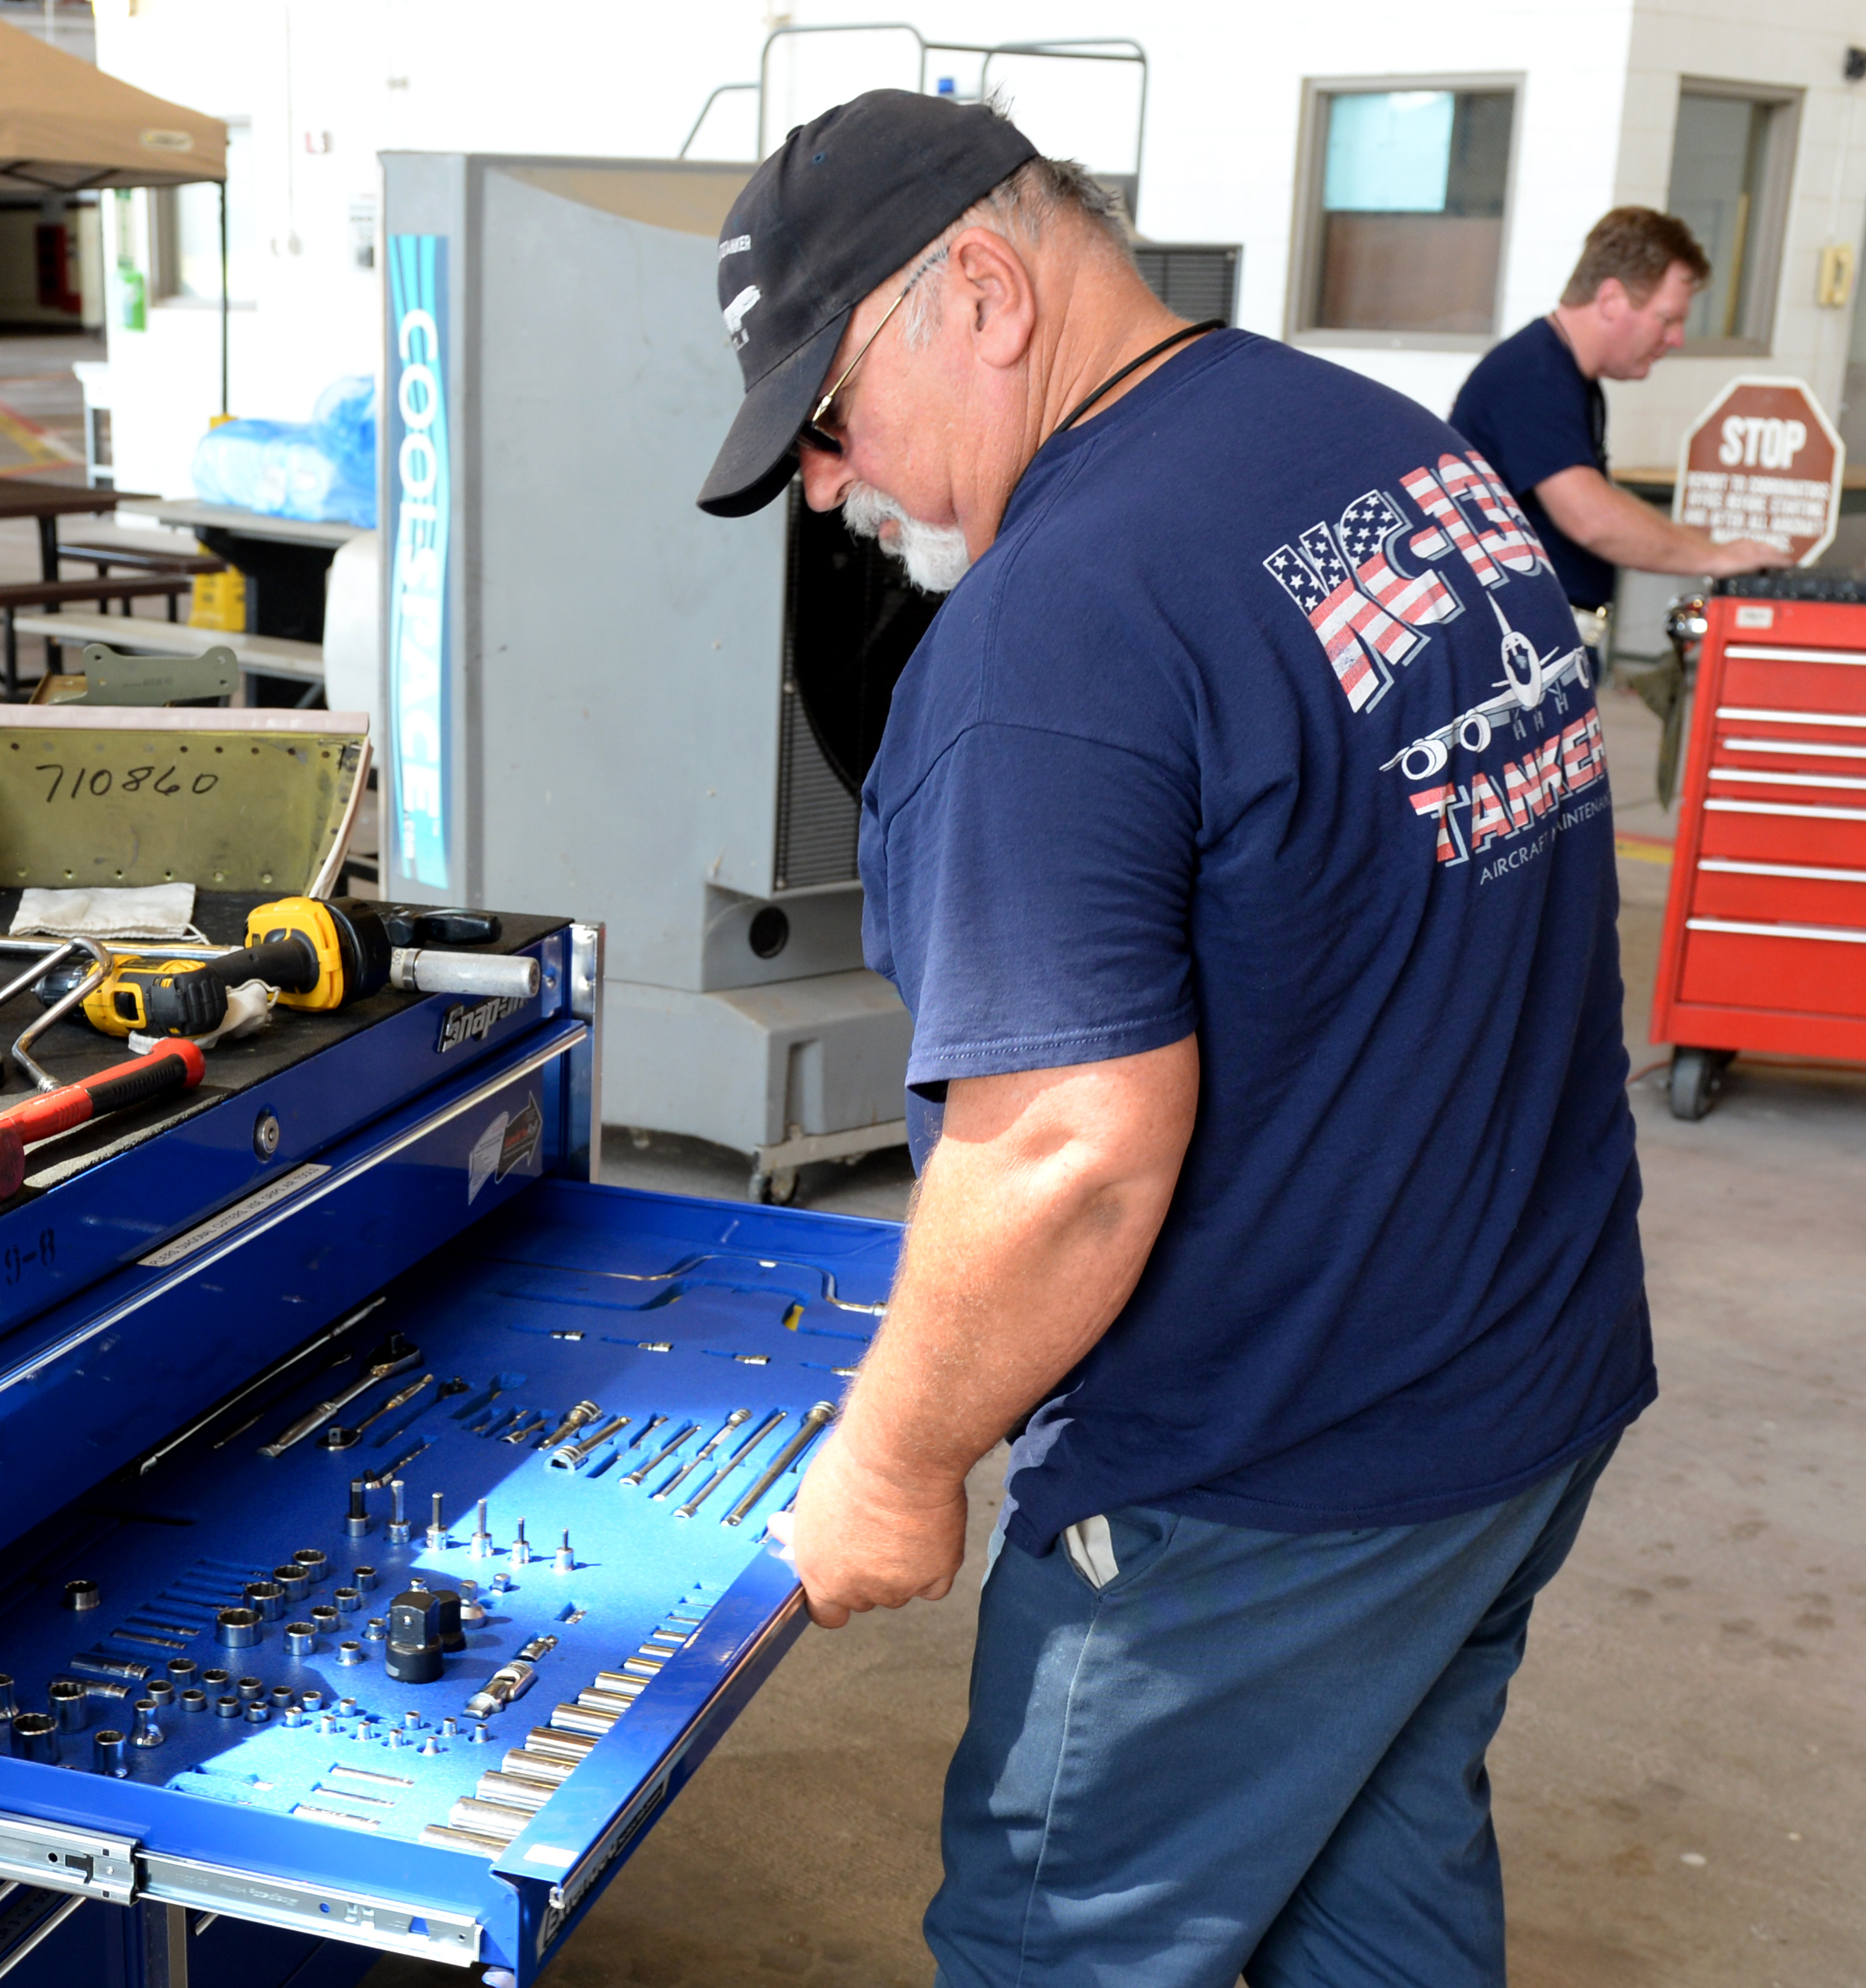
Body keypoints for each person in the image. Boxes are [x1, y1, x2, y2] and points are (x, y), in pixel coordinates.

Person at [698, 92, 1650, 1986]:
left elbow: (1063, 1152)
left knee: (1067, 1941)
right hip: (1512, 1387)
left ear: (976, 290)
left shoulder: (1053, 631)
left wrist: (888, 1461)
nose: (828, 480)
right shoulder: (1384, 453)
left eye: (828, 415)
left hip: (1263, 1466)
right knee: (1364, 1906)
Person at [1451, 207, 1788, 640]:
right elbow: (1591, 518)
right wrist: (1715, 557)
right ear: (1611, 300)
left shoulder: (1569, 379)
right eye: (1667, 319)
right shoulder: (1532, 375)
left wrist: (1697, 541)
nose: (1677, 339)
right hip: (1515, 641)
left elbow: (1597, 503)